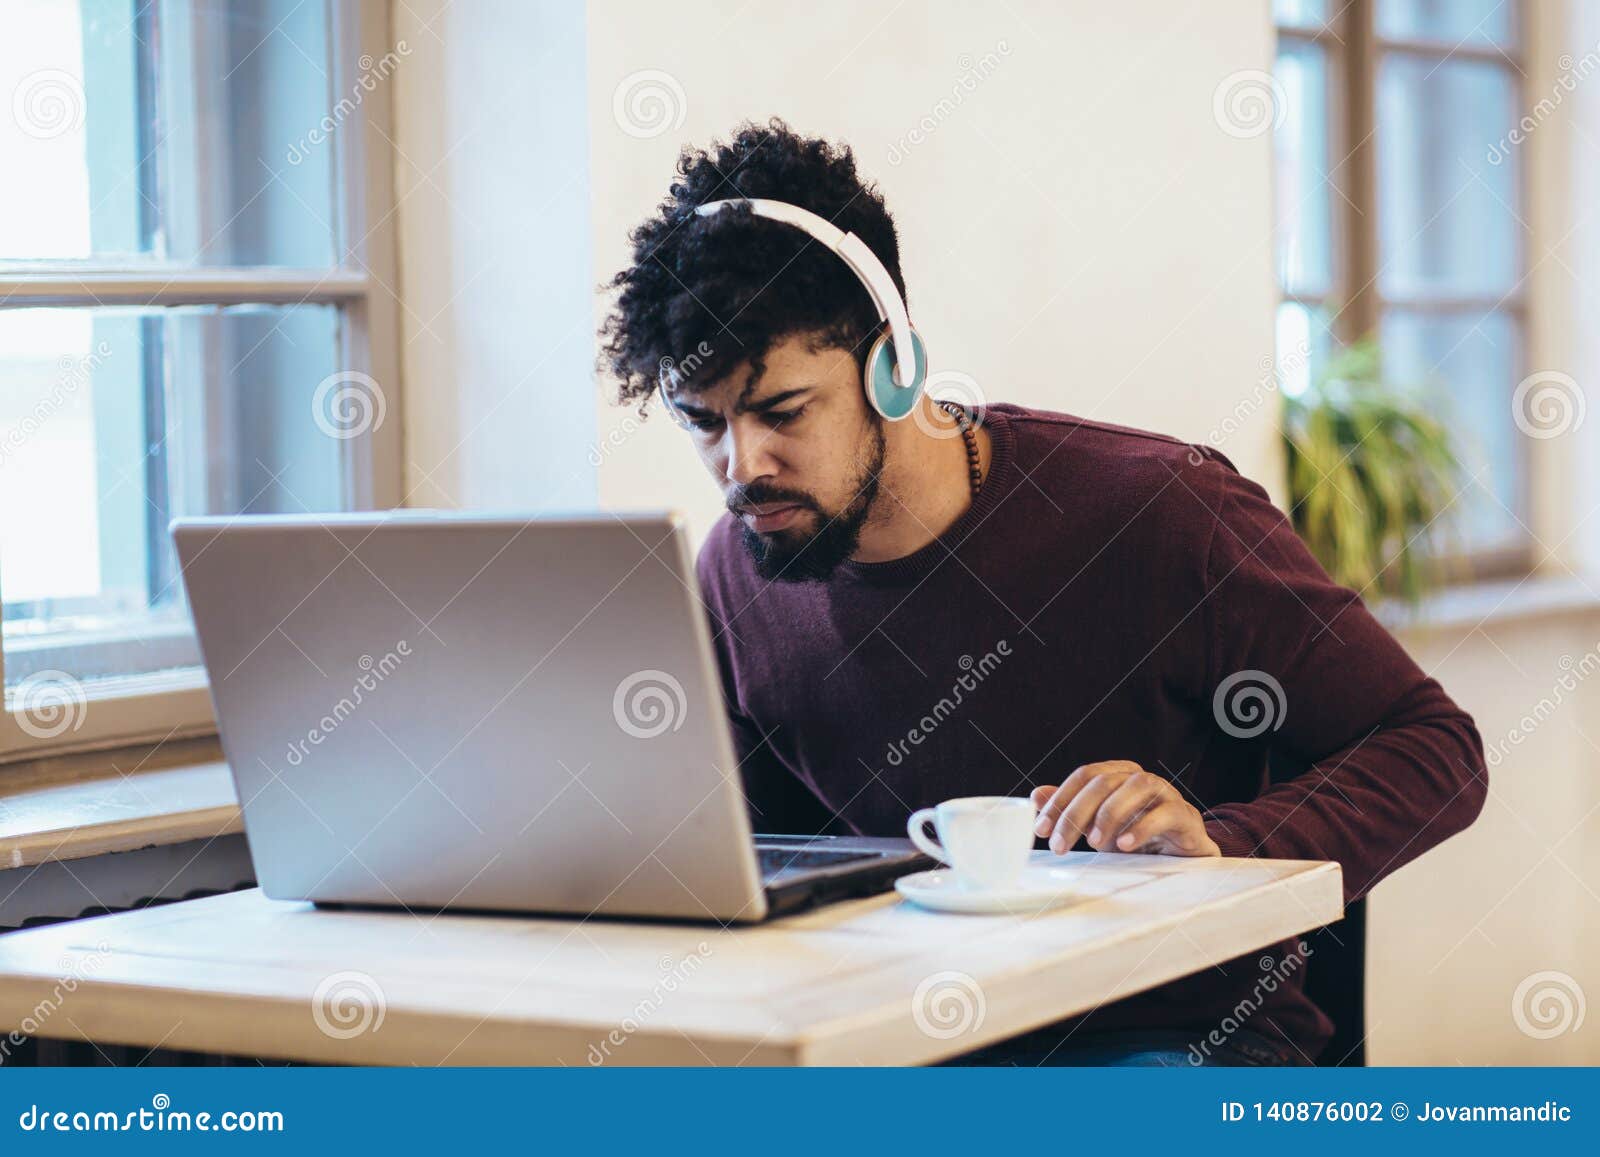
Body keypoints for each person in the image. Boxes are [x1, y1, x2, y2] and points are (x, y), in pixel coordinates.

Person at [599, 118, 1487, 1067]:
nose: (744, 467)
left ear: (894, 368)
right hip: (903, 1038)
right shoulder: (740, 570)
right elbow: (763, 858)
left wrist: (1223, 842)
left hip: (1169, 1042)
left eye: (782, 412)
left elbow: (1437, 748)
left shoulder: (1158, 511)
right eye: (703, 424)